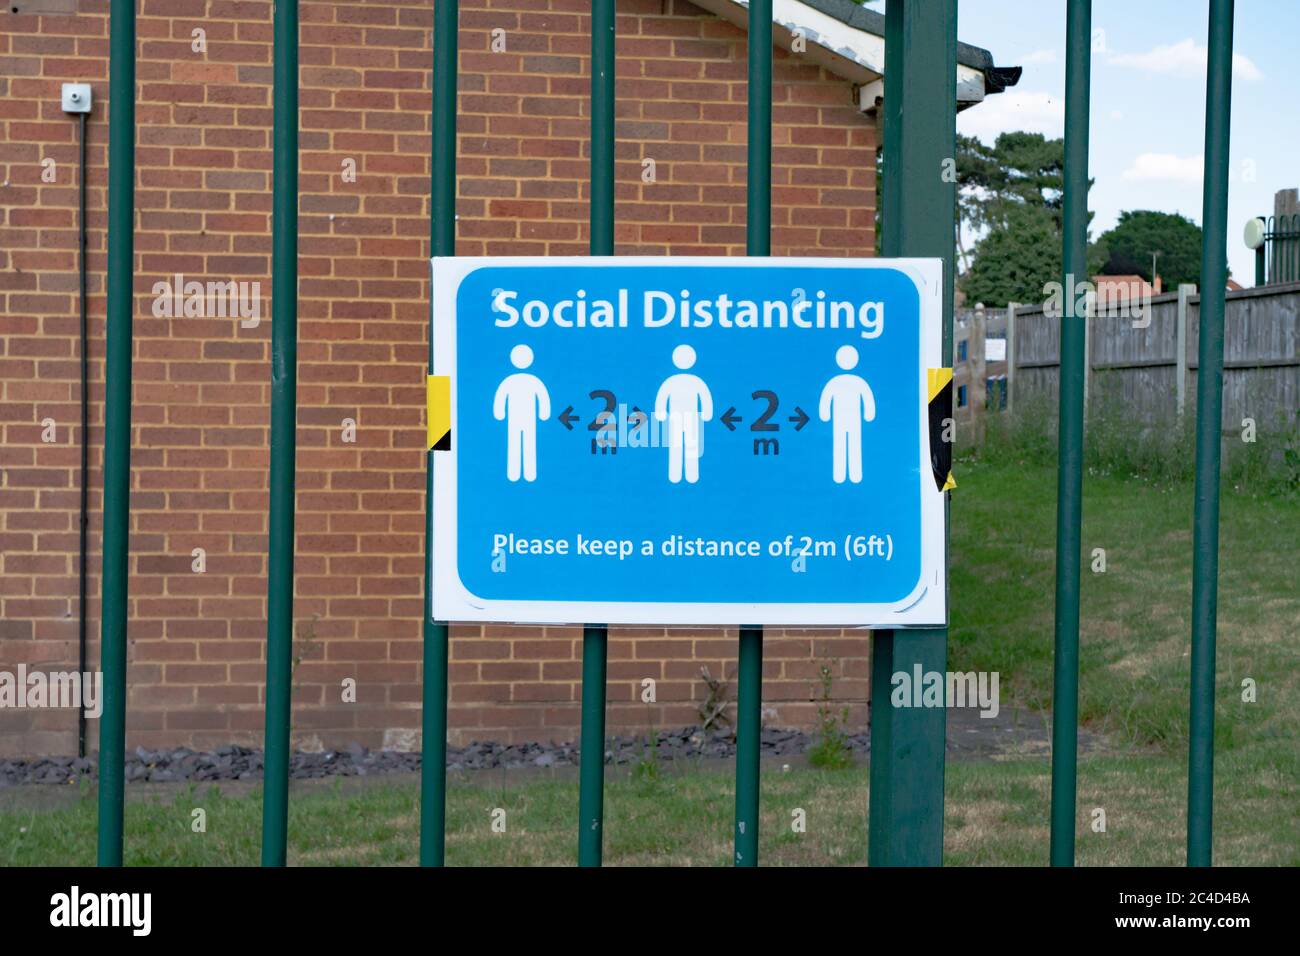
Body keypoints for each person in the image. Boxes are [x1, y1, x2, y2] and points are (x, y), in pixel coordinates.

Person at [654, 344, 713, 484]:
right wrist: (660, 412)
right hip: (676, 419)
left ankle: (691, 475)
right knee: (676, 446)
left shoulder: (694, 381)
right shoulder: (673, 381)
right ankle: (675, 475)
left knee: (690, 447)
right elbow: (662, 397)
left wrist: (707, 412)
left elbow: (705, 397)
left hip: (691, 418)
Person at [818, 344, 876, 484]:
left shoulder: (857, 382)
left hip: (854, 420)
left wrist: (869, 413)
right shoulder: (836, 382)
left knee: (853, 444)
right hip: (840, 420)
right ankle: (840, 475)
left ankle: (855, 474)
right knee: (841, 444)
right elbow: (826, 399)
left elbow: (867, 398)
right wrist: (825, 413)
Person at [493, 344, 550, 482]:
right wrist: (499, 412)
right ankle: (515, 474)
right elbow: (501, 397)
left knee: (527, 443)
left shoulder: (529, 381)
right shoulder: (514, 381)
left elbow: (543, 397)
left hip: (528, 419)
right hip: (515, 419)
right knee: (516, 443)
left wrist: (544, 412)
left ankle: (528, 474)